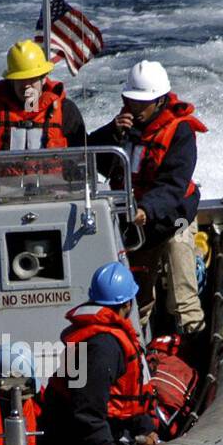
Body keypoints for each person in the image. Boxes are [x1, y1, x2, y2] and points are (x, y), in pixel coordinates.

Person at [88, 60, 207, 335]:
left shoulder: (180, 132)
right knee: (138, 294)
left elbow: (173, 185)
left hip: (171, 217)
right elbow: (93, 160)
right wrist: (111, 134)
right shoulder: (123, 127)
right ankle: (137, 344)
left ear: (160, 100)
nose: (136, 108)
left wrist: (146, 210)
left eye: (143, 103)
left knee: (182, 279)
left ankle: (191, 335)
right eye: (131, 101)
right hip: (134, 220)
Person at [39, 261, 160, 445]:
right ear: (128, 304)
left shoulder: (105, 339)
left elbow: (124, 398)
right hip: (75, 441)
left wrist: (145, 429)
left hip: (97, 428)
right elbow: (87, 405)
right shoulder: (102, 347)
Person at [0, 40, 87, 152]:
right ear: (11, 81)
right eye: (21, 80)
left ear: (44, 78)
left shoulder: (66, 112)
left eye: (32, 79)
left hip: (54, 174)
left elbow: (83, 161)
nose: (27, 86)